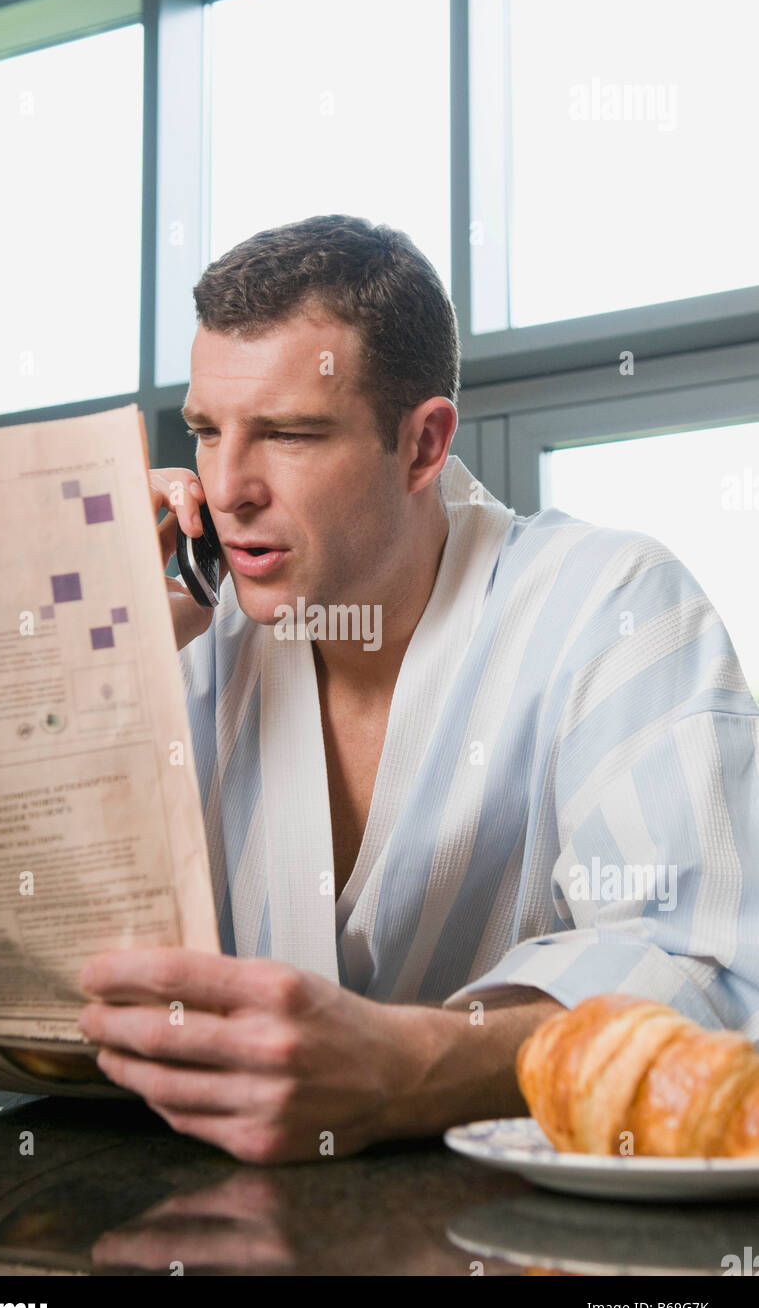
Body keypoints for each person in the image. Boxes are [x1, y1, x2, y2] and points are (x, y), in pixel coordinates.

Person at [77, 214, 759, 1164]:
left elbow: (714, 977)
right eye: (204, 430)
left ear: (422, 445)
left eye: (286, 434)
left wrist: (411, 1065)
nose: (227, 488)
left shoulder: (612, 606)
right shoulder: (175, 628)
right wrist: (97, 673)